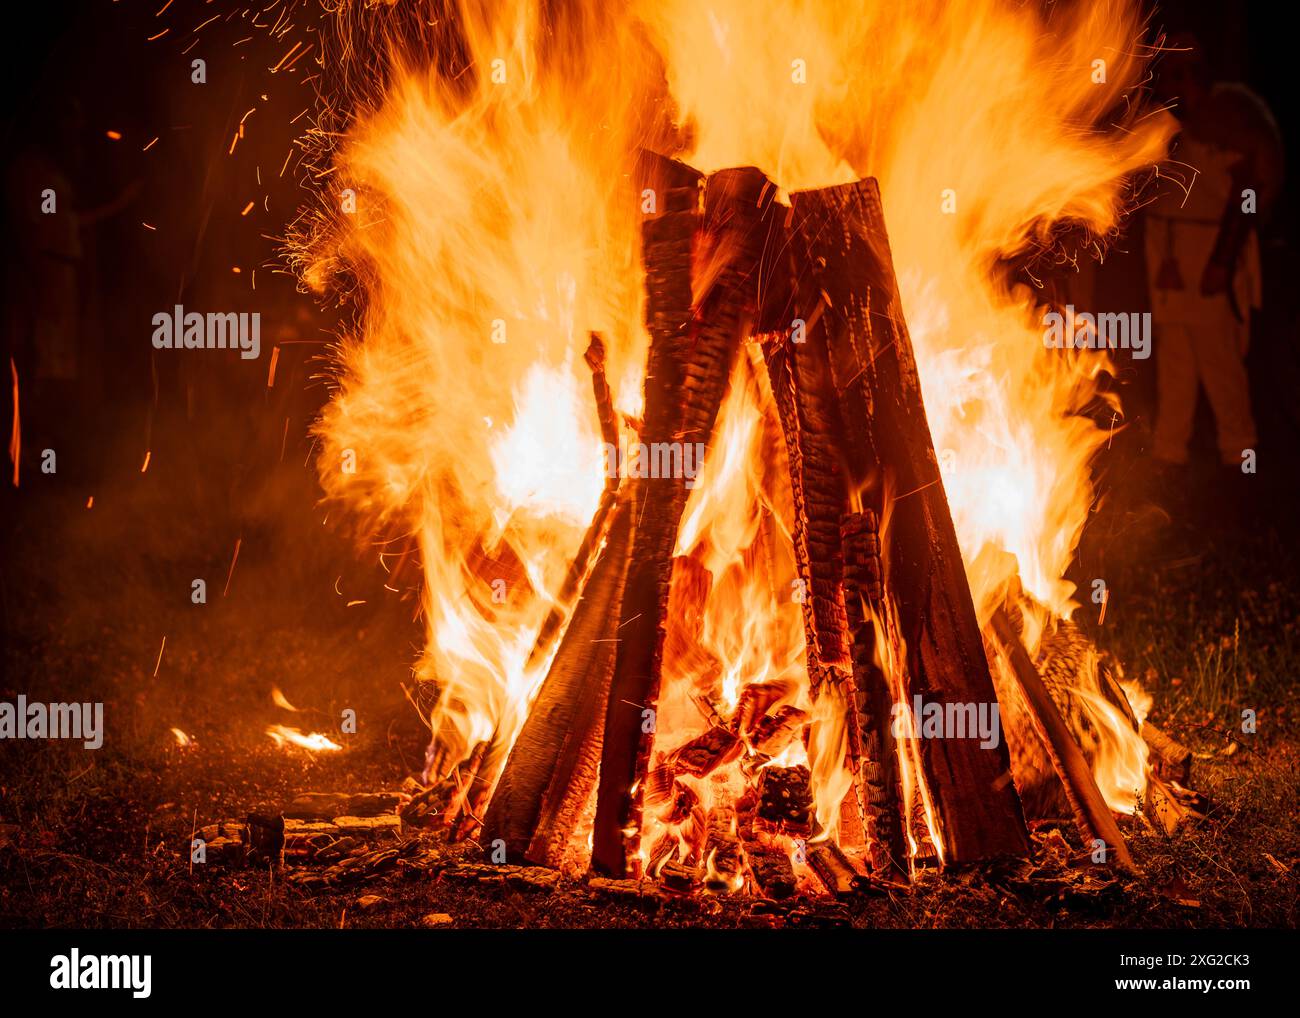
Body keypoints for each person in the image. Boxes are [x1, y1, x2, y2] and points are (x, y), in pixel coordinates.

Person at [1145, 35, 1283, 473]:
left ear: (1194, 72)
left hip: (1208, 252)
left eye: (1175, 73)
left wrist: (1222, 259)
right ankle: (1170, 452)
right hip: (1168, 256)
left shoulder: (1228, 117)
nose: (1166, 82)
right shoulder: (1171, 123)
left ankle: (1239, 455)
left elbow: (1246, 191)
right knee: (1175, 359)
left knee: (1219, 358)